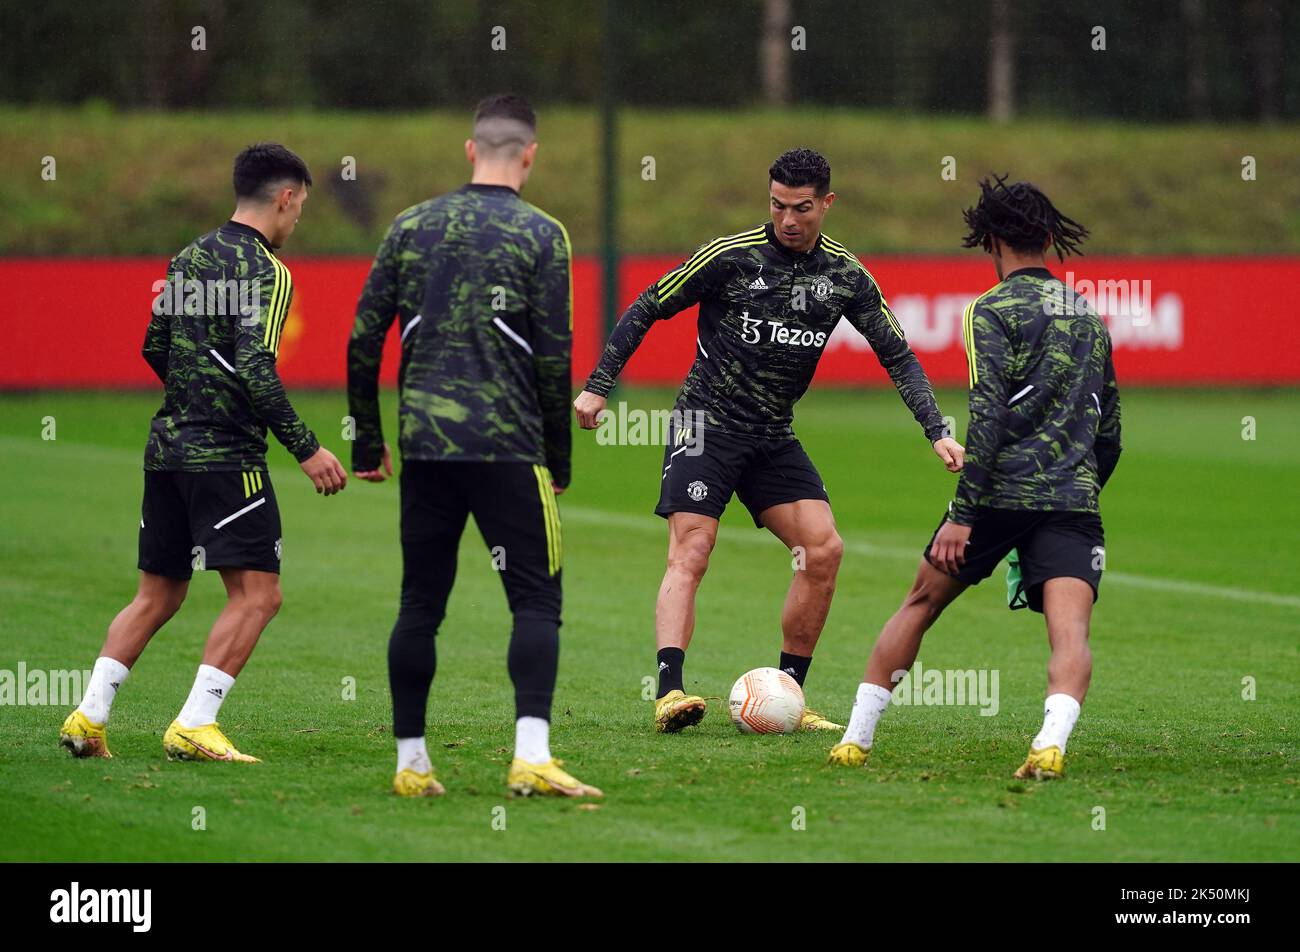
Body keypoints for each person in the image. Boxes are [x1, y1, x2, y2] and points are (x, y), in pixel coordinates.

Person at [572, 148, 963, 734]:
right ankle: (670, 692)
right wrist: (599, 386)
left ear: (826, 204)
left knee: (824, 551)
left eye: (802, 208)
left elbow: (897, 353)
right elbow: (650, 304)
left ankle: (789, 696)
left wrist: (936, 430)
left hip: (771, 437)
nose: (788, 220)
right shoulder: (731, 257)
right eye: (778, 205)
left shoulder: (845, 276)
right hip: (706, 424)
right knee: (693, 547)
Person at [60, 143, 347, 763]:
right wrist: (307, 448)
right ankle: (195, 722)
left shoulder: (188, 256)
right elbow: (255, 366)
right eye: (300, 208)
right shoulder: (268, 270)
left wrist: (194, 395)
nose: (297, 222)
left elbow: (153, 346)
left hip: (166, 448)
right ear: (287, 196)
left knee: (157, 593)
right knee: (259, 594)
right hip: (226, 458)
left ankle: (89, 716)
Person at [828, 174, 1122, 780]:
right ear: (1046, 237)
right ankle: (1050, 745)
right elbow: (1110, 431)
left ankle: (856, 739)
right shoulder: (1089, 315)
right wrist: (1079, 490)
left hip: (995, 496)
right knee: (1071, 634)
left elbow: (988, 414)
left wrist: (963, 515)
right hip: (1072, 500)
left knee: (919, 603)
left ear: (990, 240)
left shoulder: (989, 311)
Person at [348, 94, 600, 798]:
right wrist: (560, 458)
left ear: (470, 149)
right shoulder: (543, 234)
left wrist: (369, 441)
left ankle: (410, 763)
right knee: (535, 602)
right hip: (508, 448)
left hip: (425, 447)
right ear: (530, 154)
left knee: (419, 605)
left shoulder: (410, 224)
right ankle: (531, 755)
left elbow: (363, 338)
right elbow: (555, 359)